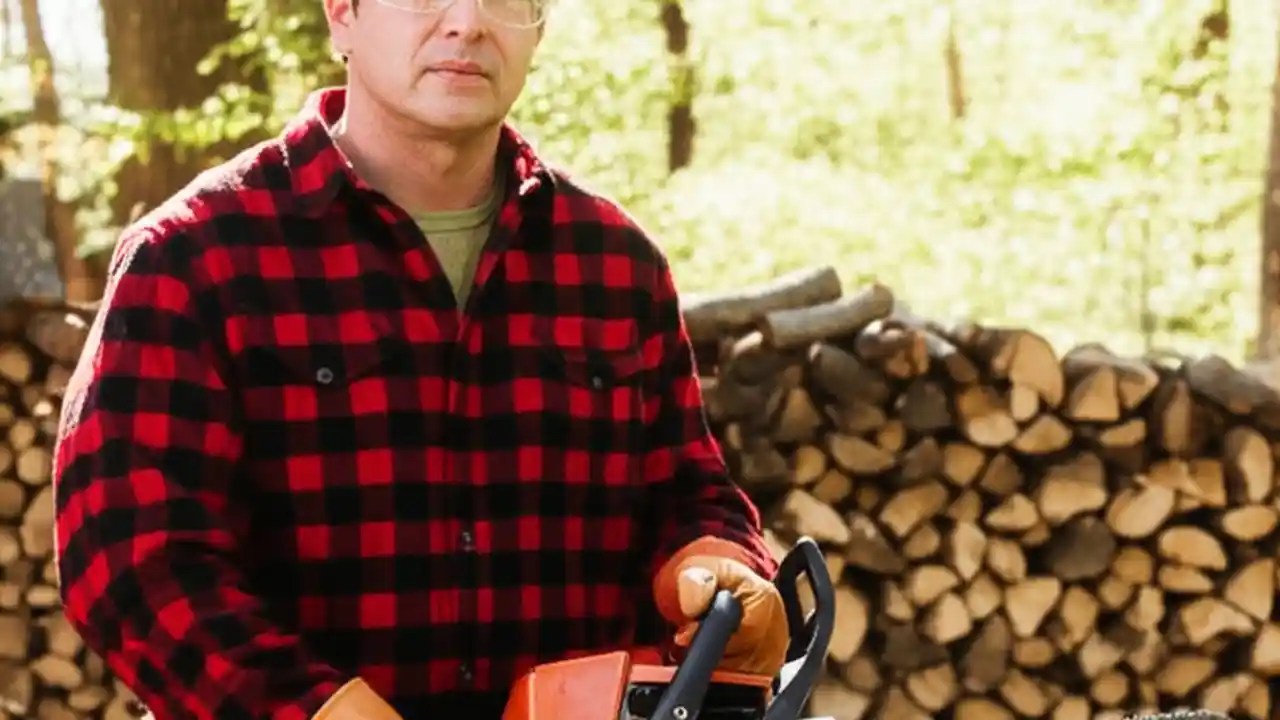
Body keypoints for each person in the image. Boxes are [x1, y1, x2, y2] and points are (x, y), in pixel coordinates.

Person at [51, 0, 790, 718]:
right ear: (343, 12)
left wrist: (714, 566)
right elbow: (131, 562)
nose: (467, 21)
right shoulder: (192, 257)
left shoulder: (617, 266)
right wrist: (317, 711)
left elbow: (689, 491)